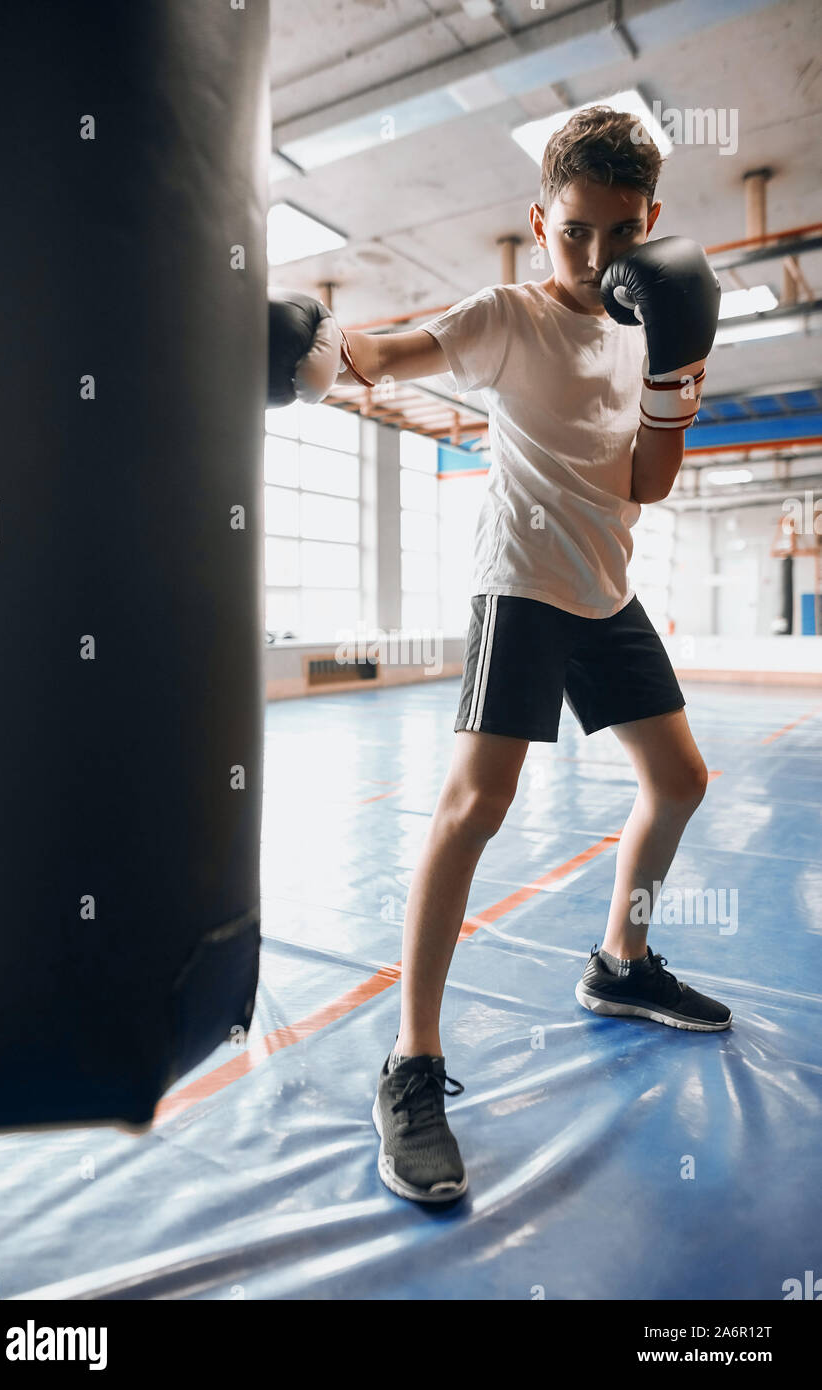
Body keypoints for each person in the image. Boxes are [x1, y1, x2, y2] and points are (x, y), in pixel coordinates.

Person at [269, 104, 730, 1207]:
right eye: (574, 232)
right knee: (474, 808)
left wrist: (675, 378)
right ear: (539, 223)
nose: (594, 258)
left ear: (650, 225)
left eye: (620, 236)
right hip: (519, 583)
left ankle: (618, 963)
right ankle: (411, 1061)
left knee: (678, 780)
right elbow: (381, 355)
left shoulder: (648, 333)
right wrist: (311, 352)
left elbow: (645, 484)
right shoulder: (507, 315)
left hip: (604, 590)